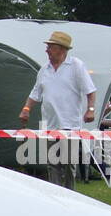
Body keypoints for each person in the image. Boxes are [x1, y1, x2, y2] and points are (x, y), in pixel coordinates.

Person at [19, 30, 96, 189]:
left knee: (68, 164)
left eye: (50, 47)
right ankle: (55, 193)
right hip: (49, 125)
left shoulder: (76, 66)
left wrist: (91, 109)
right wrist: (26, 108)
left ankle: (70, 194)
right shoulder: (44, 69)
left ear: (61, 49)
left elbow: (90, 90)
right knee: (52, 163)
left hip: (70, 125)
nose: (46, 50)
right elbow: (35, 93)